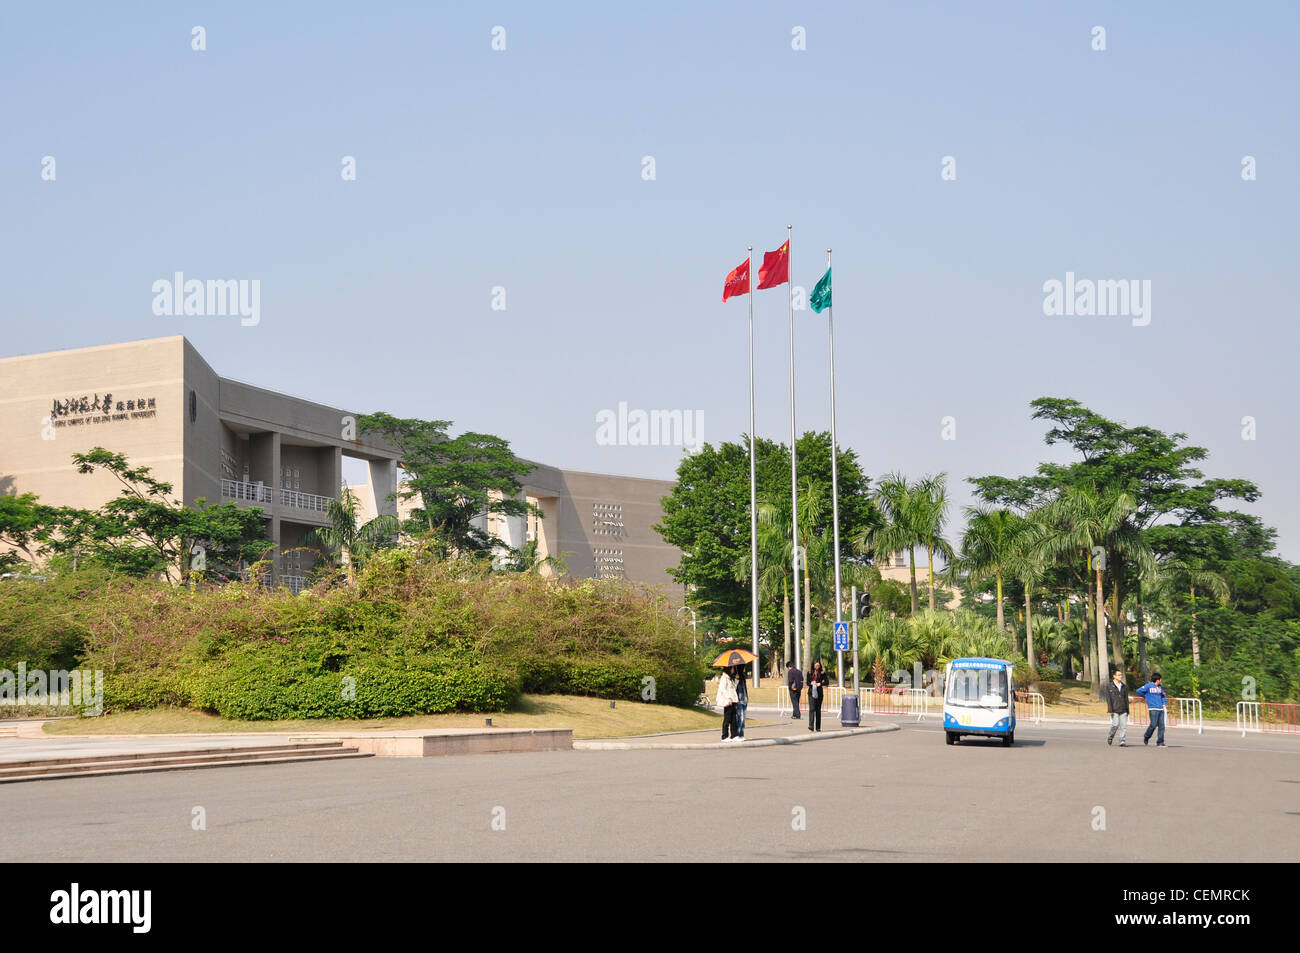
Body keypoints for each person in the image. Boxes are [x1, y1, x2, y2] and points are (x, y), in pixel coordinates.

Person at [1137, 672, 1168, 747]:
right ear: (1158, 680)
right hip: (1153, 708)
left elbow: (1163, 696)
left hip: (1161, 709)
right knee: (1153, 725)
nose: (1161, 680)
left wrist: (1164, 703)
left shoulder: (1160, 687)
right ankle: (1146, 736)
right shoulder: (1148, 686)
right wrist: (1146, 697)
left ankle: (1160, 742)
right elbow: (1138, 691)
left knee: (1162, 726)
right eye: (1161, 679)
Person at [1106, 668, 1129, 746]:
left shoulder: (1124, 686)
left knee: (1123, 726)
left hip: (1123, 709)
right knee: (1115, 724)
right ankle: (1110, 736)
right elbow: (1108, 699)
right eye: (1119, 675)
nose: (1121, 676)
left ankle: (1122, 741)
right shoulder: (1109, 686)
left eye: (1121, 675)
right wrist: (1110, 709)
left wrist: (1127, 710)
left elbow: (1126, 699)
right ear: (1114, 676)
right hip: (1114, 709)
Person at [716, 666, 739, 742]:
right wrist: (728, 698)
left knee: (734, 719)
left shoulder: (730, 677)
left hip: (734, 699)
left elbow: (733, 688)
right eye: (732, 668)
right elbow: (723, 689)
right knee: (727, 718)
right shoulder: (724, 677)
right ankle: (724, 736)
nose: (733, 670)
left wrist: (736, 679)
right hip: (728, 700)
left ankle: (734, 735)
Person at [807, 660, 829, 732]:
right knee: (812, 709)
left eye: (818, 665)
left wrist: (820, 684)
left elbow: (826, 682)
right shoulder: (809, 672)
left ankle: (818, 727)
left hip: (819, 693)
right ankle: (811, 725)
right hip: (811, 693)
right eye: (816, 665)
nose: (817, 666)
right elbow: (807, 682)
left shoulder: (822, 673)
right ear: (813, 665)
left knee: (818, 710)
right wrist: (811, 683)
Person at [734, 665, 749, 741]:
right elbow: (733, 688)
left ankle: (741, 734)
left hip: (744, 700)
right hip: (739, 700)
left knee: (743, 718)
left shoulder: (743, 677)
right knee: (740, 718)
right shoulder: (735, 677)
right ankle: (739, 735)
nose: (745, 669)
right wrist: (736, 679)